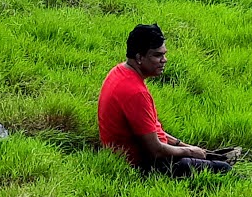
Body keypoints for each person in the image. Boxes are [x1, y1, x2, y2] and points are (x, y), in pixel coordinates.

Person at [97, 23, 237, 177]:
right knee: (225, 169)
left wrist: (185, 146)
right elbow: (155, 151)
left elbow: (151, 131)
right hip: (142, 165)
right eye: (157, 55)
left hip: (133, 154)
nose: (164, 60)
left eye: (164, 54)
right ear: (139, 57)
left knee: (207, 158)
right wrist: (189, 151)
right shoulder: (135, 93)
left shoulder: (119, 71)